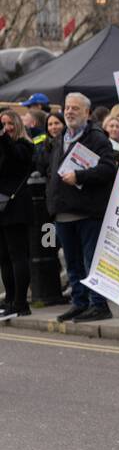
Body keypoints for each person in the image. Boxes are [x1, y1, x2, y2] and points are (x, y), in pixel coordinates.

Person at [43, 94, 117, 323]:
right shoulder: (60, 138)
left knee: (90, 262)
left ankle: (99, 305)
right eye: (67, 108)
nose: (69, 112)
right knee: (73, 263)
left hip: (87, 212)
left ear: (87, 112)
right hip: (63, 212)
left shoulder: (96, 138)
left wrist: (80, 175)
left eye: (75, 108)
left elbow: (108, 169)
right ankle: (80, 302)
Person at [0, 109, 35, 318]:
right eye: (3, 123)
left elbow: (15, 156)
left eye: (10, 123)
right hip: (1, 208)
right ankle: (10, 300)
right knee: (3, 257)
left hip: (16, 206)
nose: (7, 127)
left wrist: (3, 137)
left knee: (17, 255)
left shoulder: (25, 145)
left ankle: (22, 303)